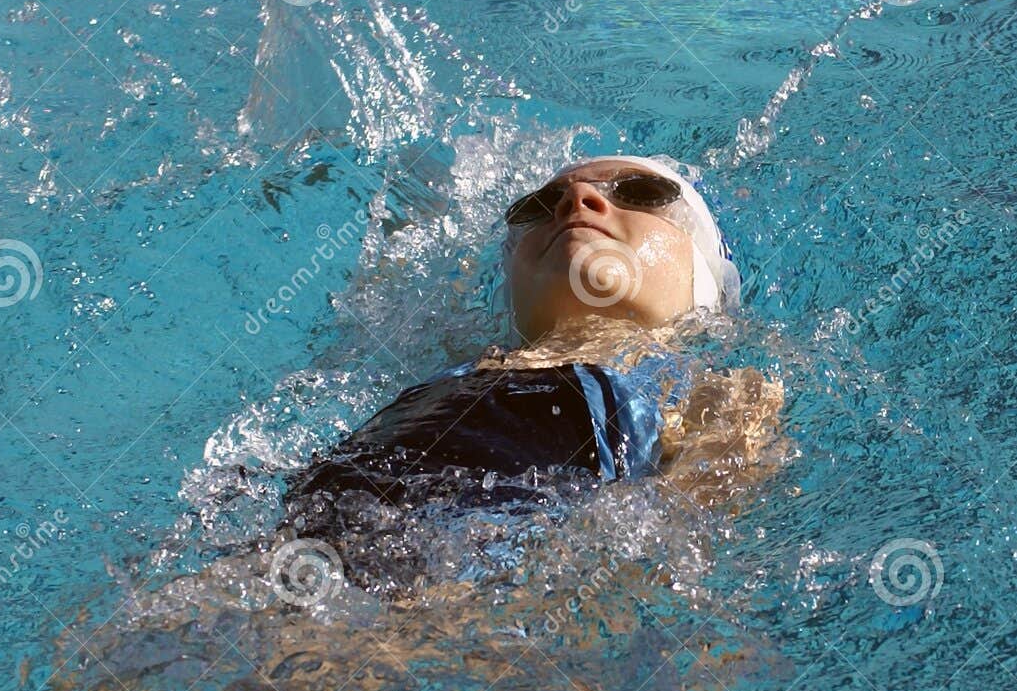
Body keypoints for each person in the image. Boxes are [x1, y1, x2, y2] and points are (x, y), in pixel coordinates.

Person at [285, 154, 782, 532]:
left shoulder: (719, 391)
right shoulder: (450, 371)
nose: (578, 200)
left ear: (705, 279)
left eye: (640, 191)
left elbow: (676, 539)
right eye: (540, 205)